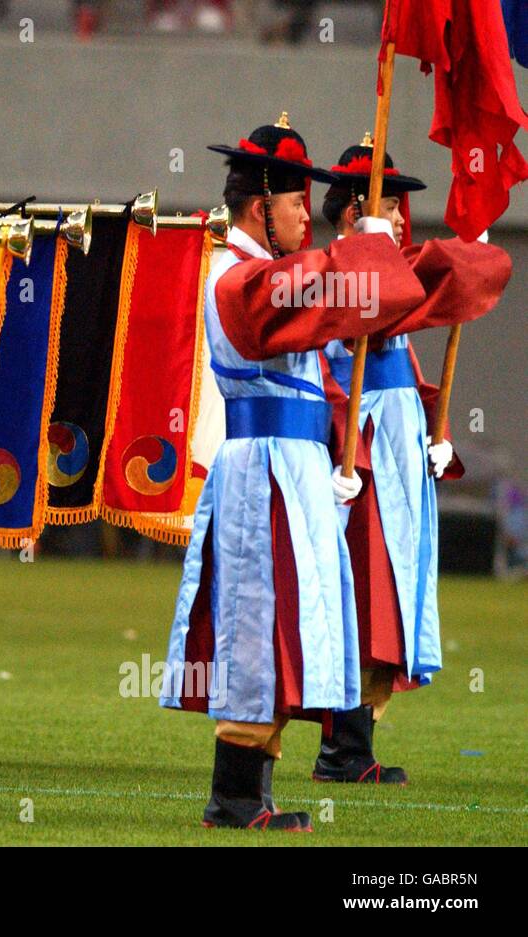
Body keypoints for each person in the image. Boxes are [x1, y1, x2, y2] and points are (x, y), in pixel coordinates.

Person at [158, 113, 435, 831]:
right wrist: (358, 252)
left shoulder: (266, 272)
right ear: (261, 209)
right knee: (259, 625)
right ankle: (236, 794)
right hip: (264, 471)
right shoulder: (237, 276)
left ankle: (258, 788)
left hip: (297, 466)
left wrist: (339, 453)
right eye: (294, 205)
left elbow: (373, 304)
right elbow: (299, 296)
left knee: (292, 623)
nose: (305, 219)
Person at [315, 136, 509, 784]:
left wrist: (439, 429)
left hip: (400, 453)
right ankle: (340, 746)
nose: (401, 220)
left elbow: (412, 370)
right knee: (364, 597)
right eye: (391, 208)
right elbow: (330, 374)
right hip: (362, 459)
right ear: (355, 214)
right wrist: (349, 451)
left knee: (392, 598)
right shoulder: (335, 275)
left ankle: (356, 741)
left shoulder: (385, 273)